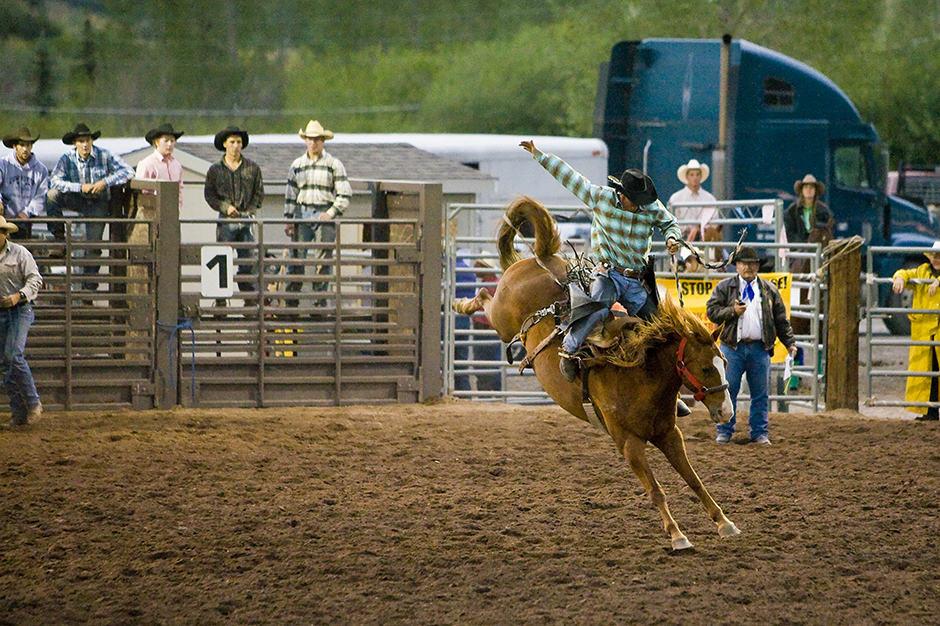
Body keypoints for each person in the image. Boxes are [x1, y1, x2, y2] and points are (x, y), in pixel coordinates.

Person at [519, 139, 682, 382]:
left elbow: (670, 223)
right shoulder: (601, 198)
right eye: (634, 199)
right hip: (608, 273)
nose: (638, 204)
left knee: (658, 326)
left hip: (636, 279)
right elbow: (571, 178)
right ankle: (569, 350)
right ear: (622, 195)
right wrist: (540, 155)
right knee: (595, 308)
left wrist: (672, 237)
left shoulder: (650, 207)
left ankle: (663, 382)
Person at [706, 246, 798, 445]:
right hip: (733, 347)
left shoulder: (769, 290)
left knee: (760, 393)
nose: (748, 267)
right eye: (743, 263)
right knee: (729, 391)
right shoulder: (724, 287)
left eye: (752, 263)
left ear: (757, 266)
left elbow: (781, 320)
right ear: (737, 266)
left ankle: (759, 432)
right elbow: (711, 311)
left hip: (759, 347)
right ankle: (725, 430)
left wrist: (789, 342)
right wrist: (732, 311)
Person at [46, 123, 134, 291]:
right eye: (81, 141)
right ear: (75, 143)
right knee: (52, 195)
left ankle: (89, 288)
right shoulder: (67, 158)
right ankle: (58, 237)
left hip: (97, 201)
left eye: (87, 140)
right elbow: (54, 181)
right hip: (76, 197)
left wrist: (104, 182)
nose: (85, 144)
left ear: (92, 141)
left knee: (93, 246)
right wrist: (79, 187)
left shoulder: (104, 155)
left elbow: (128, 171)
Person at [283, 120, 351, 309]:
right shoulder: (297, 165)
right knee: (297, 256)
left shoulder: (333, 164)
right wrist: (288, 219)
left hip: (323, 211)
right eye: (310, 139)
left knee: (324, 259)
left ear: (323, 141)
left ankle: (319, 301)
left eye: (317, 139)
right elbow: (290, 195)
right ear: (305, 140)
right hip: (302, 211)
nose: (313, 143)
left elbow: (345, 193)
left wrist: (331, 213)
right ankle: (291, 299)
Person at [204, 126, 264, 306]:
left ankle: (249, 300)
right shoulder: (215, 170)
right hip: (226, 220)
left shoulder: (253, 169)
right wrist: (225, 207)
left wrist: (249, 211)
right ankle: (220, 301)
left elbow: (259, 194)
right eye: (232, 142)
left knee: (247, 261)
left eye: (238, 142)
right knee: (221, 260)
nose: (236, 146)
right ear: (224, 144)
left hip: (246, 219)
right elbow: (209, 195)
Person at [0, 216, 44, 426]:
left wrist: (19, 295)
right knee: (5, 363)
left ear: (5, 234)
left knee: (13, 355)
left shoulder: (20, 253)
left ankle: (33, 403)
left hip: (20, 309)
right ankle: (19, 413)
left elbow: (35, 279)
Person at [891, 242, 940, 421]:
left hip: (936, 331)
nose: (936, 260)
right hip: (925, 332)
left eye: (939, 256)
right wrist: (900, 278)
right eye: (934, 256)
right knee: (928, 372)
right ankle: (930, 410)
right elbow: (904, 272)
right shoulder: (921, 271)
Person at [668, 159, 717, 272]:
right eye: (692, 174)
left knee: (714, 260)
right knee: (683, 263)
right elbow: (670, 223)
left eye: (697, 174)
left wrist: (700, 229)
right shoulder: (676, 198)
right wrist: (688, 230)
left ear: (701, 176)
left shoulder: (709, 198)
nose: (695, 177)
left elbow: (715, 223)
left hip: (705, 240)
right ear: (687, 177)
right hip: (683, 239)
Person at [0, 127, 48, 241]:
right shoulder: (3, 164)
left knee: (22, 251)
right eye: (22, 145)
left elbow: (41, 197)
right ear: (14, 146)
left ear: (31, 146)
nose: (25, 149)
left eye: (28, 145)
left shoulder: (41, 170)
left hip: (25, 218)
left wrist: (27, 212)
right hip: (3, 217)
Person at [783, 174, 834, 273]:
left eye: (811, 187)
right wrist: (803, 245)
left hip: (819, 251)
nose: (809, 190)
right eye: (806, 187)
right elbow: (789, 233)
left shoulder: (824, 211)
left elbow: (828, 232)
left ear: (815, 191)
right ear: (802, 190)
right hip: (798, 251)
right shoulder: (792, 211)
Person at [135, 123, 185, 208]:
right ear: (157, 142)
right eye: (166, 141)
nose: (169, 144)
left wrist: (178, 207)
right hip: (151, 210)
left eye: (172, 141)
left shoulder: (177, 165)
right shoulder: (147, 163)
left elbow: (179, 189)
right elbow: (140, 190)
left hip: (172, 209)